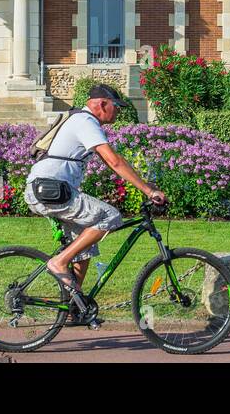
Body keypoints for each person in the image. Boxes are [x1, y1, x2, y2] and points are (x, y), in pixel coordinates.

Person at [24, 84, 166, 291]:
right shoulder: (85, 121)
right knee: (111, 216)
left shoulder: (82, 120)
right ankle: (59, 262)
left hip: (51, 190)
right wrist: (149, 191)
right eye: (116, 106)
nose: (118, 111)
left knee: (84, 248)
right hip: (50, 189)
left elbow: (114, 164)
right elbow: (113, 161)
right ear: (102, 104)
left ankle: (75, 304)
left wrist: (144, 184)